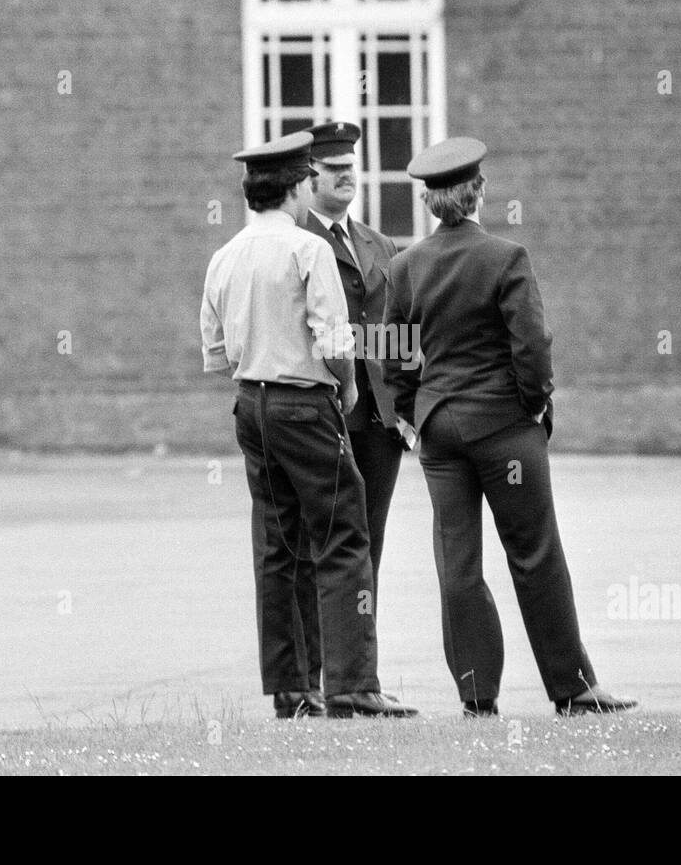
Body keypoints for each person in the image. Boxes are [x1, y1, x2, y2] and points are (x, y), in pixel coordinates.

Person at [381, 136, 637, 718]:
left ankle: (477, 695)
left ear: (428, 201)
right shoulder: (506, 257)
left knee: (458, 563)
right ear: (480, 191)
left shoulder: (404, 266)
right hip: (504, 427)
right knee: (534, 552)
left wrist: (413, 412)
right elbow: (532, 345)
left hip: (440, 429)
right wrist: (535, 403)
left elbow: (392, 354)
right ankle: (572, 688)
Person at [200, 131, 416, 720]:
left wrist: (257, 371)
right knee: (345, 538)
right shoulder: (307, 249)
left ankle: (291, 687)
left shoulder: (225, 256)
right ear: (298, 187)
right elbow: (335, 339)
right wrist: (345, 386)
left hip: (252, 404)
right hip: (307, 403)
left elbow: (215, 353)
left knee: (277, 546)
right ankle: (352, 684)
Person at [292, 121, 407, 697]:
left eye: (351, 167)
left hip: (379, 421)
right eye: (334, 169)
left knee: (369, 549)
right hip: (326, 413)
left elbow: (396, 328)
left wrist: (406, 404)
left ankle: (360, 677)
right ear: (310, 177)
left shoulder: (378, 244)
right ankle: (313, 678)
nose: (347, 177)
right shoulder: (296, 241)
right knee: (320, 551)